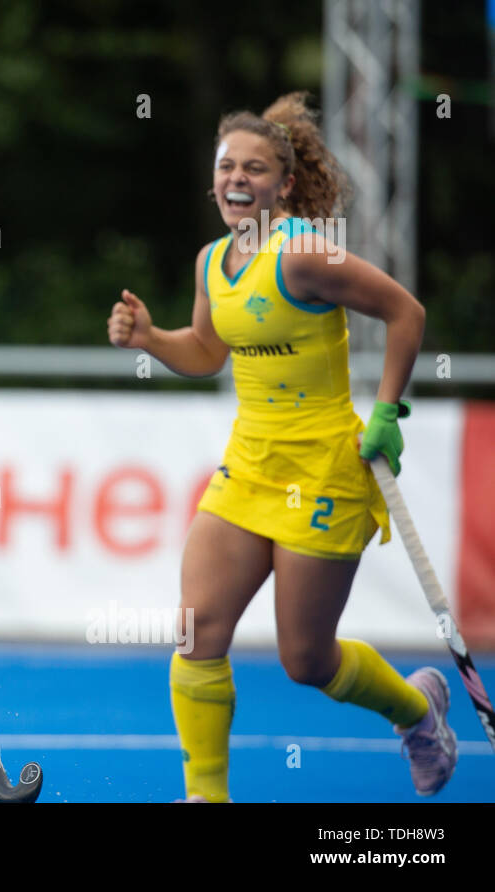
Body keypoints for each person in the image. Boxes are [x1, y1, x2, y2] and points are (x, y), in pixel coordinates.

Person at [107, 92, 452, 802]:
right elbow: (206, 352)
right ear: (213, 180)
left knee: (307, 660)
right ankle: (207, 795)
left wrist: (386, 412)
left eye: (255, 168)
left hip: (327, 468)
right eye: (227, 166)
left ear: (284, 184)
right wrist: (151, 339)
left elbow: (404, 312)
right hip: (250, 467)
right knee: (195, 631)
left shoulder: (304, 254)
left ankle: (419, 715)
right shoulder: (211, 262)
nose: (238, 179)